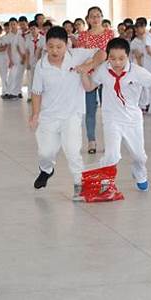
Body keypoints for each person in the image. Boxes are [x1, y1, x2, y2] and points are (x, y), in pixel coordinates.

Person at [80, 38, 151, 191]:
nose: (116, 62)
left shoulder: (137, 71)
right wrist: (84, 74)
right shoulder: (103, 69)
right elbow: (90, 86)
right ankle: (106, 183)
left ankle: (139, 173)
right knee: (112, 155)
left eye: (121, 58)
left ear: (128, 56)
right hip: (111, 118)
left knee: (139, 156)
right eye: (112, 58)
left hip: (132, 119)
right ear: (108, 56)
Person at [28, 26, 106, 201]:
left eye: (59, 47)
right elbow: (36, 92)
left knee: (72, 150)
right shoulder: (41, 65)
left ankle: (80, 185)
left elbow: (102, 52)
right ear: (46, 45)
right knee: (46, 153)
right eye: (51, 46)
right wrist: (35, 115)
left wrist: (89, 65)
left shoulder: (77, 55)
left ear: (67, 45)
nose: (54, 51)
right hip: (48, 117)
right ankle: (46, 170)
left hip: (72, 115)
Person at [76, 6, 114, 154]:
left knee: (108, 110)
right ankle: (91, 141)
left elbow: (113, 53)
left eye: (98, 16)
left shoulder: (110, 34)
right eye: (92, 16)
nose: (95, 19)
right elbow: (80, 56)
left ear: (102, 17)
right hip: (89, 76)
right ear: (88, 19)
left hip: (107, 75)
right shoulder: (83, 36)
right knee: (90, 110)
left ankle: (110, 141)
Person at [25, 22, 45, 102]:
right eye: (31, 29)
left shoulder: (44, 38)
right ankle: (30, 96)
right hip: (31, 62)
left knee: (41, 79)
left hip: (41, 63)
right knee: (30, 79)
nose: (33, 31)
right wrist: (27, 63)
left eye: (34, 29)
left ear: (38, 29)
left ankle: (41, 95)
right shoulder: (28, 38)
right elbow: (27, 52)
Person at [4, 18, 23, 100]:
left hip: (23, 57)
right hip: (13, 58)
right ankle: (9, 92)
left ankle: (18, 92)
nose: (12, 26)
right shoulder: (8, 36)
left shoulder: (21, 33)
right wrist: (10, 60)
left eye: (14, 24)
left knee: (19, 76)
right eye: (11, 24)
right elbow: (8, 48)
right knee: (12, 75)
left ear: (17, 24)